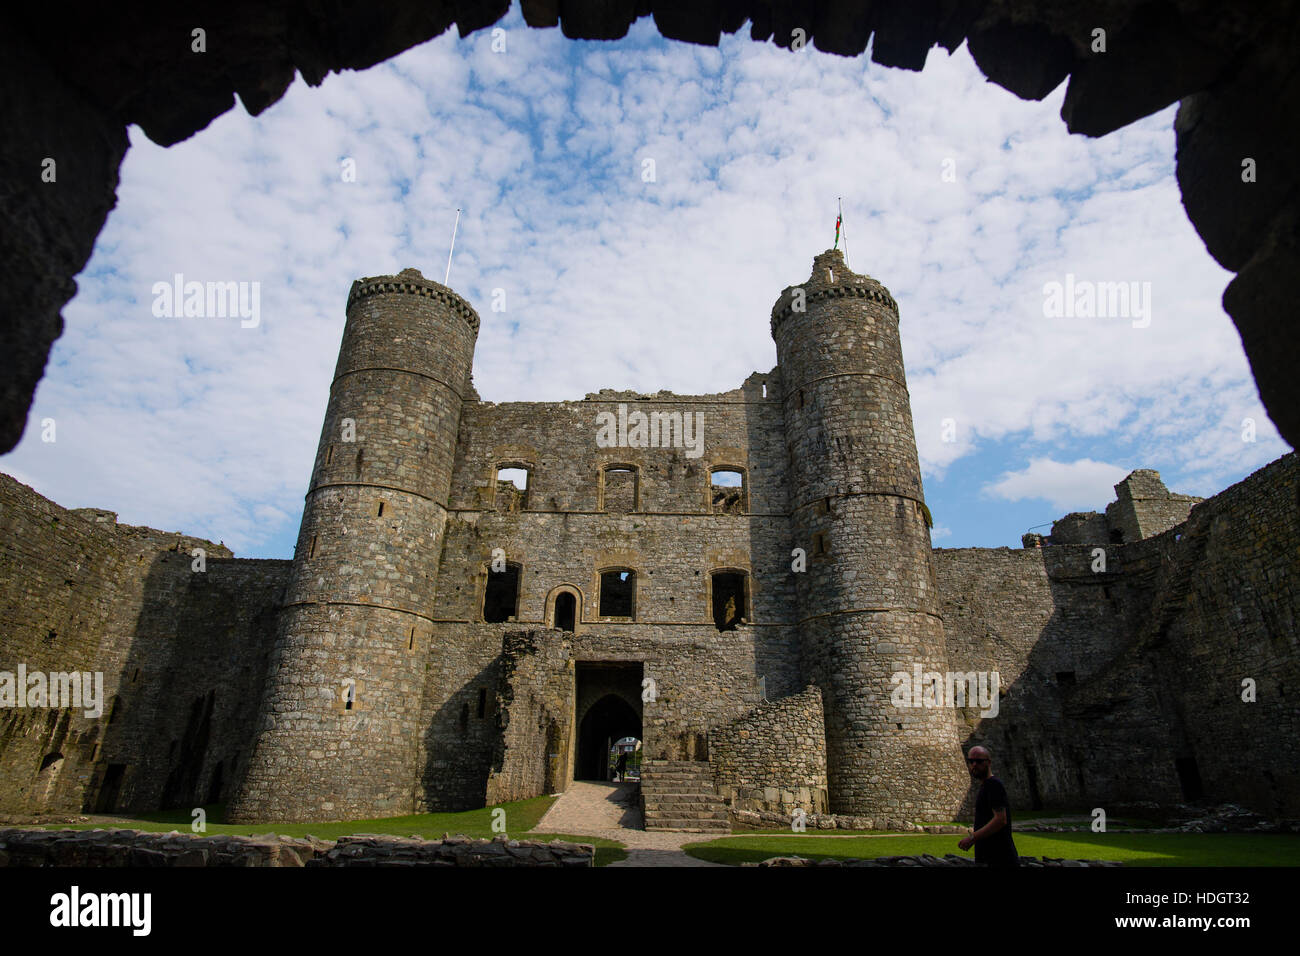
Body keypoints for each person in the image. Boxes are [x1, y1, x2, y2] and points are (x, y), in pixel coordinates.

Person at [958, 745, 1019, 866]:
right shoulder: (986, 786)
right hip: (990, 857)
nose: (974, 765)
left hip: (999, 858)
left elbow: (1001, 819)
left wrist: (972, 838)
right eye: (971, 761)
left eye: (979, 761)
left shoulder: (993, 785)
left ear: (989, 763)